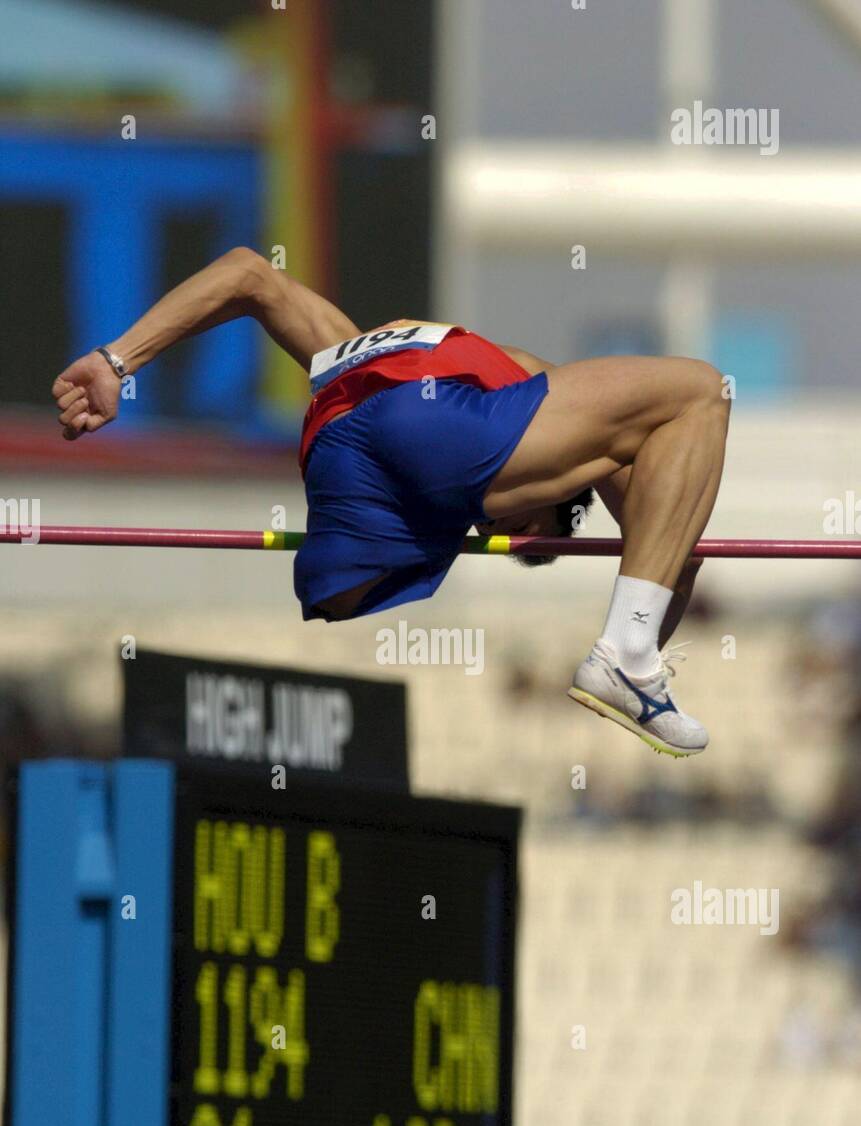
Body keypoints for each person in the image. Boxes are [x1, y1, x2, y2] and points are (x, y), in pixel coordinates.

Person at [51, 247, 730, 757]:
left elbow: (247, 274)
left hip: (342, 465)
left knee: (350, 581)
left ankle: (622, 651)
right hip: (426, 438)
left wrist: (116, 362)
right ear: (564, 482)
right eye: (524, 522)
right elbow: (666, 533)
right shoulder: (529, 383)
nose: (495, 529)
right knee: (701, 391)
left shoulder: (352, 348)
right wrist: (654, 595)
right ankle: (626, 658)